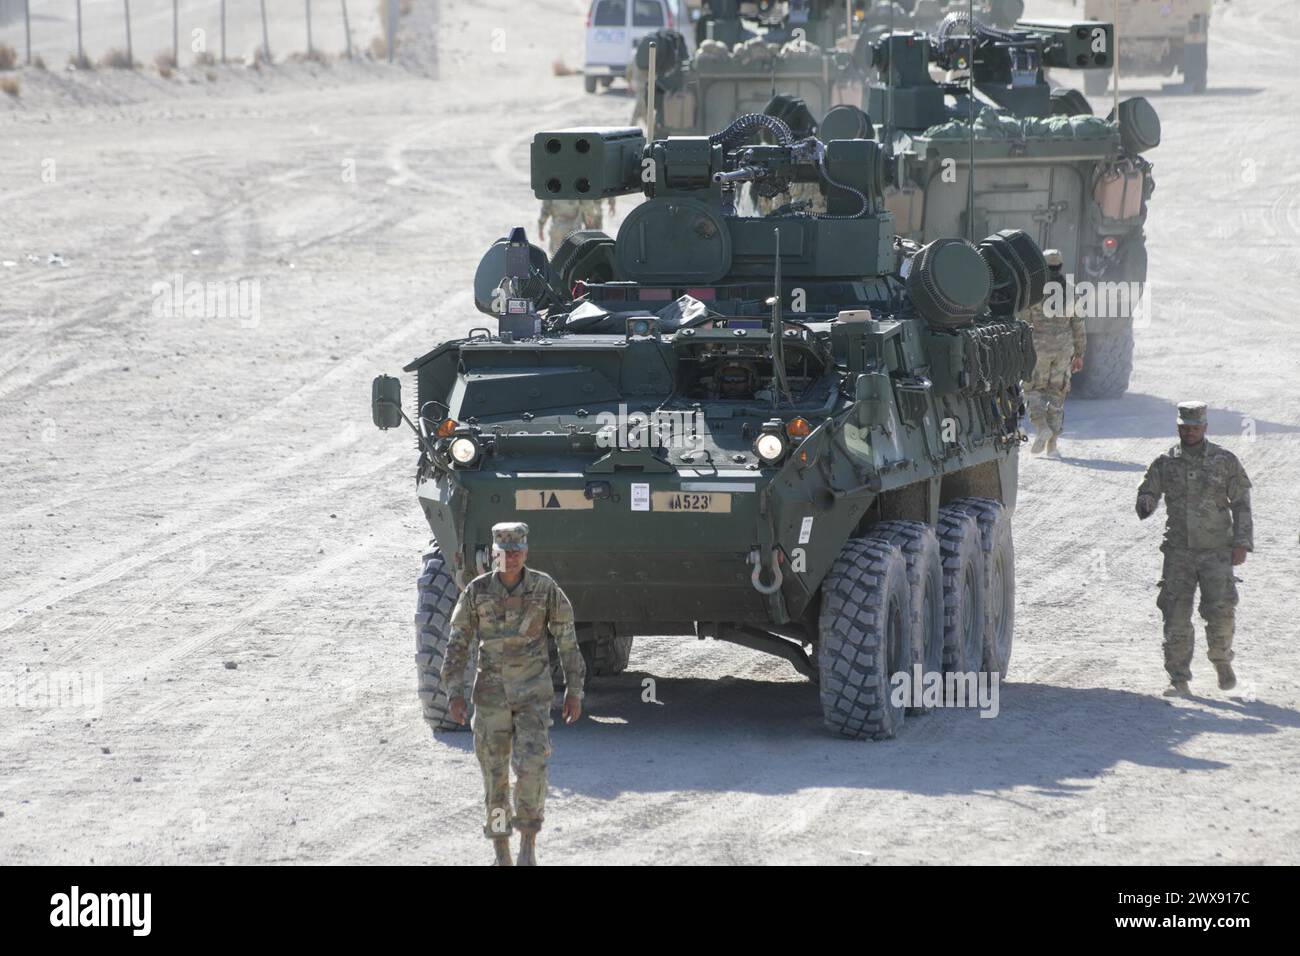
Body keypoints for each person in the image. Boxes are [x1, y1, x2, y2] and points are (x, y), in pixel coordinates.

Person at [441, 522, 585, 865]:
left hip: (534, 697)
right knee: (495, 780)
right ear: (493, 553)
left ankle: (528, 849)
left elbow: (567, 641)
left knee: (533, 770)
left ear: (526, 552)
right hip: (490, 701)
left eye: (517, 551)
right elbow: (457, 645)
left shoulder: (544, 588)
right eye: (504, 553)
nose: (511, 558)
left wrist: (574, 690)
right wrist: (454, 693)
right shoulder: (476, 592)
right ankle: (501, 852)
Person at [1136, 402, 1253, 697]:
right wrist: (1146, 502)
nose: (1190, 433)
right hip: (1178, 554)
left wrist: (1242, 543)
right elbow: (1147, 492)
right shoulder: (1165, 462)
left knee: (1220, 611)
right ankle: (1178, 679)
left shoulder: (1225, 461)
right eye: (1185, 428)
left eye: (1195, 428)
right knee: (1175, 615)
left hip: (1217, 552)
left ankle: (1222, 660)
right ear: (1178, 428)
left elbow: (1241, 504)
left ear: (1205, 428)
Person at [1023, 249, 1085, 455]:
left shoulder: (1033, 291)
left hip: (1039, 349)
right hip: (1063, 351)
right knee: (1057, 395)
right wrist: (1079, 354)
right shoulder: (1072, 291)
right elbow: (1078, 324)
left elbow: (1023, 322)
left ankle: (1042, 428)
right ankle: (1053, 446)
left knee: (1032, 390)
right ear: (1060, 266)